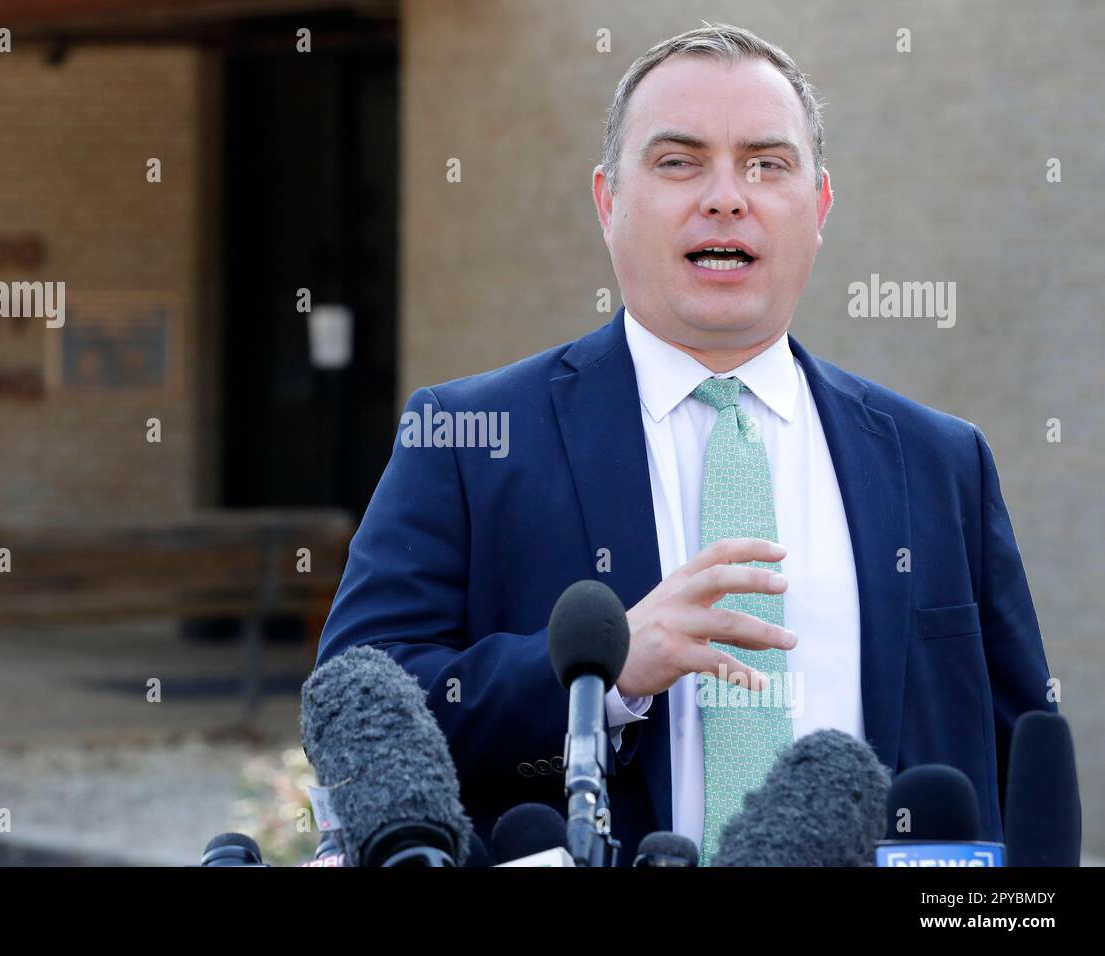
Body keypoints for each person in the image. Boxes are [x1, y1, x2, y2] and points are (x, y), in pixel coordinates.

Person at [316, 23, 1060, 864]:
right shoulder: (466, 439)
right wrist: (607, 678)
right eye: (679, 162)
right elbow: (360, 713)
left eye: (767, 163)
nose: (726, 196)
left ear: (818, 209)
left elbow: (1024, 763)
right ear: (608, 201)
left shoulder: (940, 462)